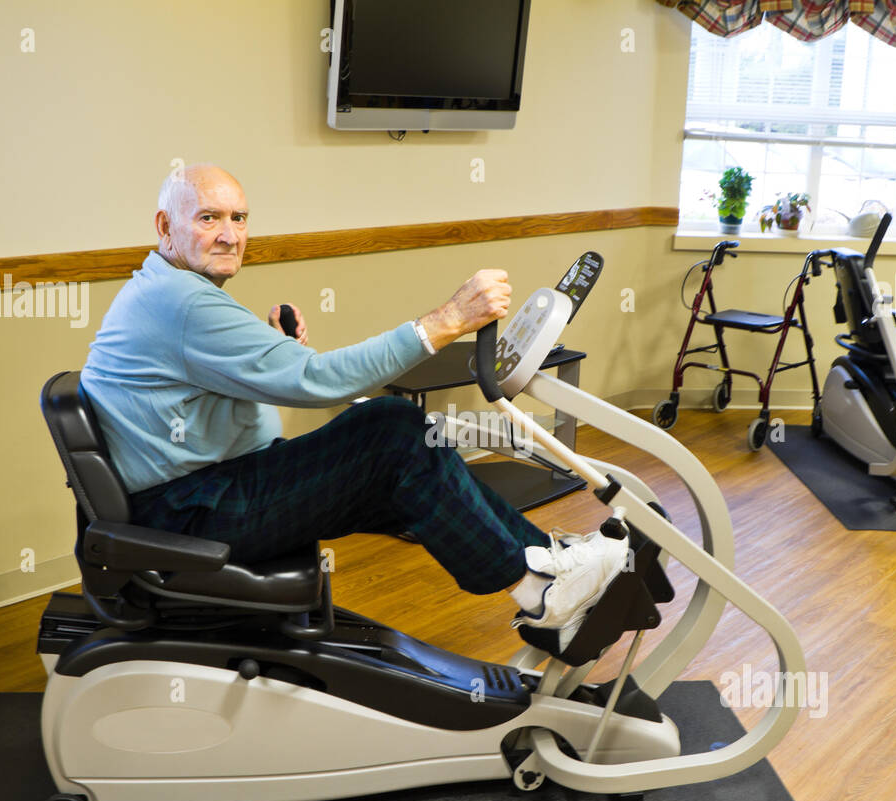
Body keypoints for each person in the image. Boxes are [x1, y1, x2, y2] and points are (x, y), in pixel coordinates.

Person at [79, 164, 628, 658]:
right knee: (392, 431)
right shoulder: (181, 301)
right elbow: (317, 381)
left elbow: (222, 387)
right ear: (164, 227)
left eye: (239, 218)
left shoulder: (171, 290)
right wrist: (444, 322)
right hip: (188, 512)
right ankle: (545, 591)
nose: (230, 234)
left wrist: (278, 351)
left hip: (205, 489)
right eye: (208, 218)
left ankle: (547, 568)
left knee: (404, 456)